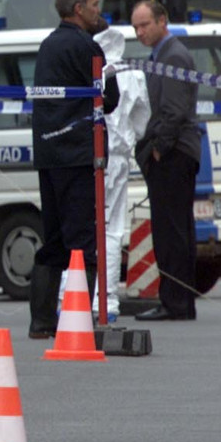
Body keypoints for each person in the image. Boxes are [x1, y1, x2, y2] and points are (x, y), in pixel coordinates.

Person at [28, 0, 119, 339]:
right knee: (84, 240)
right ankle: (80, 320)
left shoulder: (48, 44)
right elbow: (108, 99)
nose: (100, 10)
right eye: (94, 4)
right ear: (78, 9)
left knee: (53, 239)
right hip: (80, 154)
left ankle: (41, 322)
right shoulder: (87, 46)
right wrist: (110, 69)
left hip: (48, 155)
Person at [57, 25, 149, 320]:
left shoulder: (85, 71)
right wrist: (129, 137)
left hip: (88, 155)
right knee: (112, 229)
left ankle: (68, 297)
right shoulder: (132, 74)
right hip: (118, 159)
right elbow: (142, 121)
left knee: (80, 227)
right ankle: (106, 301)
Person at [130, 0, 201, 321]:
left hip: (173, 154)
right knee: (173, 229)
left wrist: (158, 148)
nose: (139, 32)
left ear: (163, 21)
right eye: (136, 26)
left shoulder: (173, 55)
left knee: (171, 231)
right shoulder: (161, 55)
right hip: (173, 152)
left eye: (145, 24)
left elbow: (174, 110)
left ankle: (176, 302)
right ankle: (178, 301)